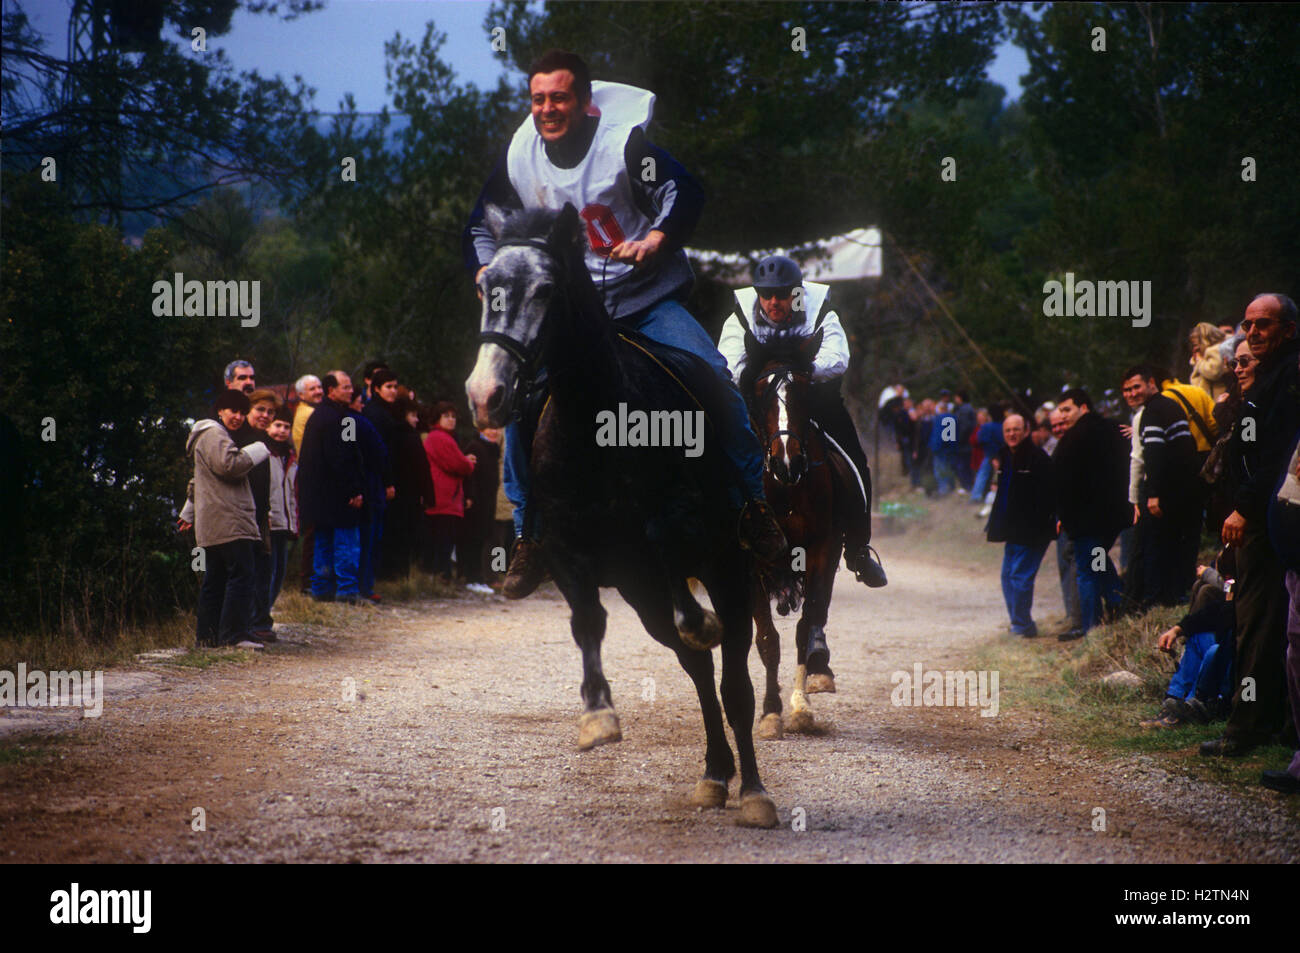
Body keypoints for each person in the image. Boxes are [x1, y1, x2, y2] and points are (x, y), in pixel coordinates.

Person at [463, 48, 786, 598]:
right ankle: (530, 535)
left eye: (559, 97)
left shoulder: (624, 147)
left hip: (645, 297)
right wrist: (485, 265)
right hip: (569, 310)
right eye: (538, 99)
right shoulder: (520, 155)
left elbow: (683, 190)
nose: (547, 108)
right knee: (520, 406)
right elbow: (481, 222)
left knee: (713, 377)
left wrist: (657, 238)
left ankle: (750, 505)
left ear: (585, 103)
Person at [717, 254, 887, 586]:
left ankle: (858, 549)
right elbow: (728, 361)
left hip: (815, 400)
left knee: (856, 459)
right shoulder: (742, 311)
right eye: (767, 295)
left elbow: (837, 358)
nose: (773, 302)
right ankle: (720, 541)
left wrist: (801, 371)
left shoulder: (820, 307)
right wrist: (761, 376)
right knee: (721, 456)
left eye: (782, 294)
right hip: (761, 402)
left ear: (797, 292)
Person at [1203, 293, 1300, 757]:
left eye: (1265, 324)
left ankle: (1247, 727)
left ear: (1288, 330)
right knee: (1264, 619)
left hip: (1266, 515)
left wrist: (1243, 508)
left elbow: (1272, 459)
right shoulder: (1266, 380)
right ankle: (1274, 723)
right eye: (1248, 324)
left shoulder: (1287, 380)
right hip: (1262, 513)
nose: (1253, 332)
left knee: (1259, 621)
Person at [176, 389, 269, 649]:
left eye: (242, 412)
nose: (238, 417)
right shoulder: (214, 433)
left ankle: (207, 639)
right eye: (232, 411)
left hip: (214, 522)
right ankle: (235, 636)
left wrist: (188, 512)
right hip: (229, 520)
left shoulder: (206, 436)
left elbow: (199, 481)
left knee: (214, 579)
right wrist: (260, 449)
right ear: (219, 411)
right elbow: (229, 466)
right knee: (242, 574)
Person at [1052, 388, 1132, 634]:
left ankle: (1091, 629)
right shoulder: (1115, 428)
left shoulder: (1073, 438)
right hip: (1113, 515)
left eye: (1067, 409)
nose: (1063, 415)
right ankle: (1119, 602)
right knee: (1098, 560)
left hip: (1085, 519)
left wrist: (1063, 516)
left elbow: (1062, 481)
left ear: (1083, 407)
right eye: (1061, 410)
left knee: (1087, 572)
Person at [1122, 364, 1200, 609]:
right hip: (1183, 488)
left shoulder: (1151, 412)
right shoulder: (1170, 406)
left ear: (1151, 383)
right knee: (1176, 545)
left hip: (1164, 489)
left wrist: (1150, 494)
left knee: (1155, 547)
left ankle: (1155, 600)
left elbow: (1152, 455)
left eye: (1136, 387)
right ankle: (1175, 594)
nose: (1132, 393)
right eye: (1126, 390)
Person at [297, 371, 366, 604]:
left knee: (323, 543)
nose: (351, 391)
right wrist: (354, 489)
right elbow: (346, 456)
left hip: (319, 495)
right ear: (331, 390)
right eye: (345, 387)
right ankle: (347, 591)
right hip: (338, 495)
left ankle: (321, 590)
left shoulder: (319, 416)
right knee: (346, 543)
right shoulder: (343, 418)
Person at [985, 413, 1055, 637]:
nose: (1012, 434)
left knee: (1020, 577)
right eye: (1007, 431)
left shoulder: (1038, 458)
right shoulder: (1005, 456)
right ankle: (1022, 623)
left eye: (1016, 429)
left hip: (1033, 531)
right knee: (1008, 577)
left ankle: (1021, 626)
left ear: (1026, 431)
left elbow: (1048, 496)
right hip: (1012, 530)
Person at [381, 394, 436, 580]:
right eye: (412, 415)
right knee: (406, 537)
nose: (416, 419)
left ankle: (389, 574)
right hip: (410, 495)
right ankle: (402, 575)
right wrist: (429, 495)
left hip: (393, 492)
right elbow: (422, 468)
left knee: (392, 535)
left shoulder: (388, 434)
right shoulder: (411, 437)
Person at [349, 388, 394, 603]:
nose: (362, 405)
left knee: (365, 539)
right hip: (369, 485)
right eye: (359, 401)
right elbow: (379, 452)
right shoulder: (355, 421)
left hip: (367, 485)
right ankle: (363, 587)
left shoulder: (354, 421)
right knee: (367, 539)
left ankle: (361, 586)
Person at [423, 401, 476, 580]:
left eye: (453, 416)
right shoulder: (440, 437)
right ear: (437, 418)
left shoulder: (444, 437)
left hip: (446, 496)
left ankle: (440, 575)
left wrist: (463, 460)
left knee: (444, 539)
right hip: (443, 496)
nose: (451, 420)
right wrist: (468, 462)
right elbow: (457, 464)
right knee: (444, 539)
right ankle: (441, 576)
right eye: (446, 416)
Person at [245, 389, 280, 640]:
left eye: (270, 412)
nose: (265, 416)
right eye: (260, 410)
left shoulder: (265, 441)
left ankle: (259, 621)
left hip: (261, 514)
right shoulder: (243, 438)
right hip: (241, 514)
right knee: (245, 571)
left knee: (263, 567)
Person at [1047, 403, 1082, 637]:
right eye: (1055, 426)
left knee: (1079, 565)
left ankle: (1079, 619)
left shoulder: (1077, 445)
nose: (1059, 428)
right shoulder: (1058, 446)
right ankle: (1071, 613)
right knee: (1063, 563)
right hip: (1061, 515)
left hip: (1077, 518)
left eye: (1062, 423)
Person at [265, 403, 298, 620]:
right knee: (268, 574)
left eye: (287, 427)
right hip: (268, 522)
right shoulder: (264, 453)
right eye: (277, 425)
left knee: (279, 575)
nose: (282, 431)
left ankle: (265, 615)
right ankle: (258, 619)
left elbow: (293, 493)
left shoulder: (290, 457)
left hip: (284, 523)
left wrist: (294, 521)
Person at [291, 373, 324, 592]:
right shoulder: (310, 413)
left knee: (312, 530)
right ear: (301, 395)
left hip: (308, 475)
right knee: (312, 531)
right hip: (311, 476)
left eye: (319, 387)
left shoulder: (307, 412)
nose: (318, 391)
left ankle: (309, 580)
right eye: (312, 389)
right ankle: (307, 582)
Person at [461, 427, 503, 594]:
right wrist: (470, 496)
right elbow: (469, 474)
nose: (493, 432)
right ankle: (473, 578)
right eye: (489, 429)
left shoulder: (493, 449)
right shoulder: (476, 447)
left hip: (489, 503)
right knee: (476, 541)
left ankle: (481, 577)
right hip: (476, 503)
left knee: (485, 541)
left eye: (496, 429)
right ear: (481, 430)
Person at [1189, 322, 1231, 400]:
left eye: (1196, 345)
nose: (1195, 348)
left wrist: (1199, 361)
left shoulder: (1215, 350)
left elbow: (1213, 372)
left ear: (1204, 340)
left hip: (1217, 399)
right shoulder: (1205, 354)